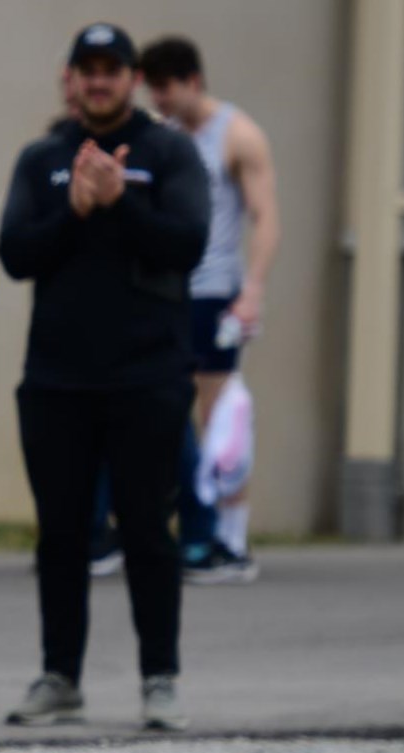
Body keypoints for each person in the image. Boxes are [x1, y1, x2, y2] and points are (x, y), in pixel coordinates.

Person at [0, 23, 209, 732]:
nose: (97, 81)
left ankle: (160, 679)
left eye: (110, 69)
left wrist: (123, 200)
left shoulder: (168, 152)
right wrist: (76, 209)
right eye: (86, 69)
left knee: (148, 529)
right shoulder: (44, 158)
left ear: (131, 79)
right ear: (71, 79)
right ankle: (61, 678)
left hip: (148, 377)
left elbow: (188, 244)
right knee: (61, 535)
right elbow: (15, 254)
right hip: (57, 380)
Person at [139, 34, 279, 584]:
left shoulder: (238, 134)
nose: (160, 99)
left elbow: (265, 216)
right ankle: (194, 529)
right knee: (170, 412)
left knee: (220, 416)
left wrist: (253, 290)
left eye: (166, 88)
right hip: (170, 291)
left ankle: (231, 538)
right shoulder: (165, 134)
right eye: (153, 89)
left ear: (193, 81)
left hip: (217, 290)